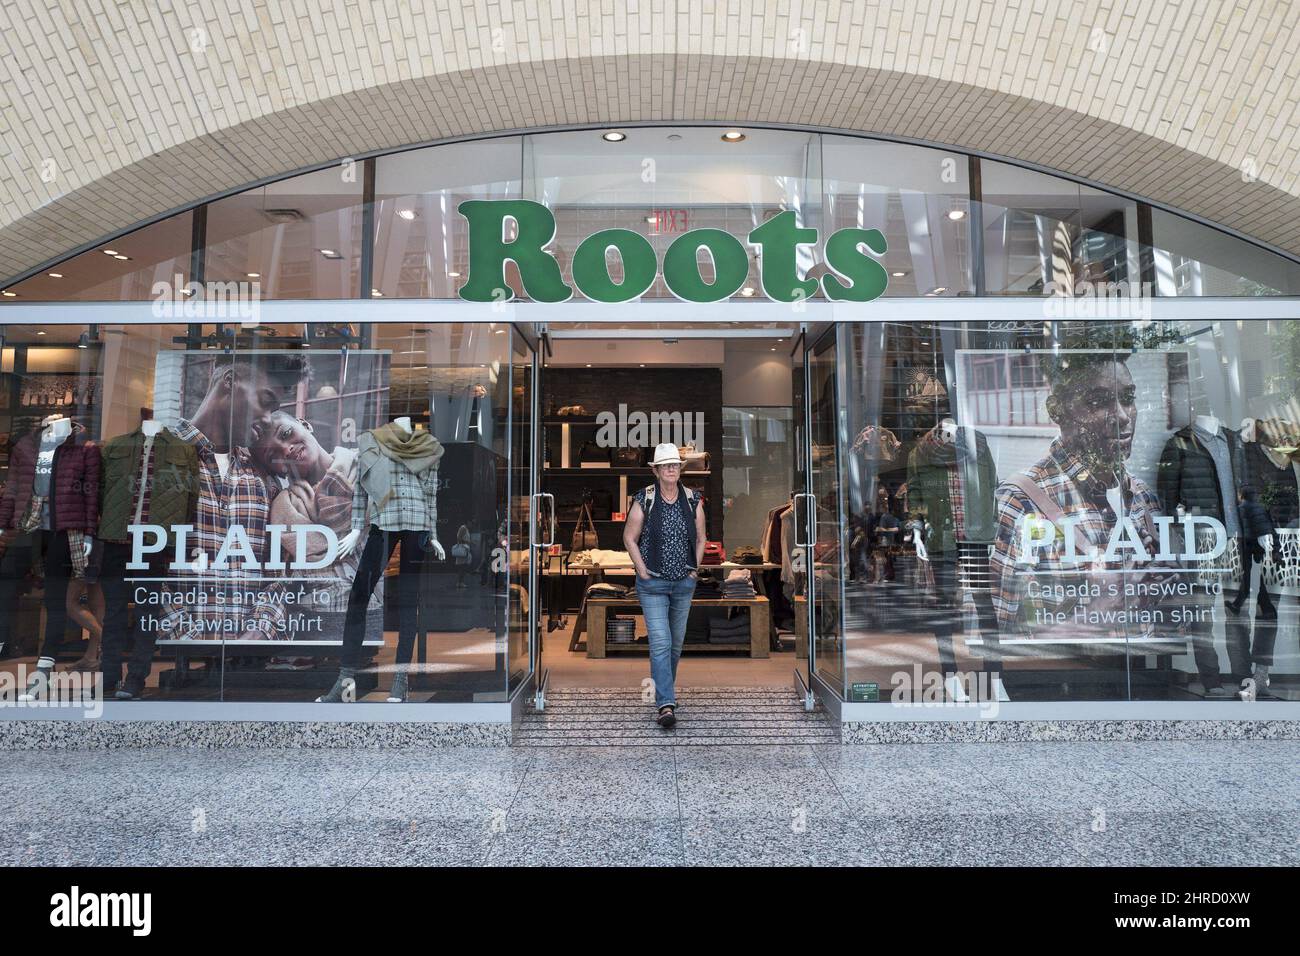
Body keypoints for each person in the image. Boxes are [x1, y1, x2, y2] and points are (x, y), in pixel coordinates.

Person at [988, 353, 1211, 684]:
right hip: (1064, 693)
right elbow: (1000, 639)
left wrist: (1164, 597)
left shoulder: (1143, 498)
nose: (1122, 417)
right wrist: (1098, 610)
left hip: (1144, 685)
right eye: (1099, 402)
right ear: (1058, 411)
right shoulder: (1020, 501)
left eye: (1128, 399)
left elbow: (1169, 627)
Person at [244, 409, 379, 646]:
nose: (286, 449)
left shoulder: (371, 468)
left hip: (374, 619)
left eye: (286, 433)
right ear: (275, 469)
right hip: (316, 625)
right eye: (273, 454)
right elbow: (286, 581)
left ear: (305, 424)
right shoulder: (284, 509)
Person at [623, 442, 706, 728]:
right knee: (660, 643)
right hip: (653, 584)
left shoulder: (693, 498)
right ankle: (666, 705)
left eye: (675, 465)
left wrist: (694, 569)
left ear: (680, 469)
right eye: (666, 465)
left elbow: (700, 538)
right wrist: (642, 570)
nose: (671, 469)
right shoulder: (644, 498)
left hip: (684, 583)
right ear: (656, 470)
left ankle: (663, 692)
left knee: (675, 645)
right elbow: (629, 538)